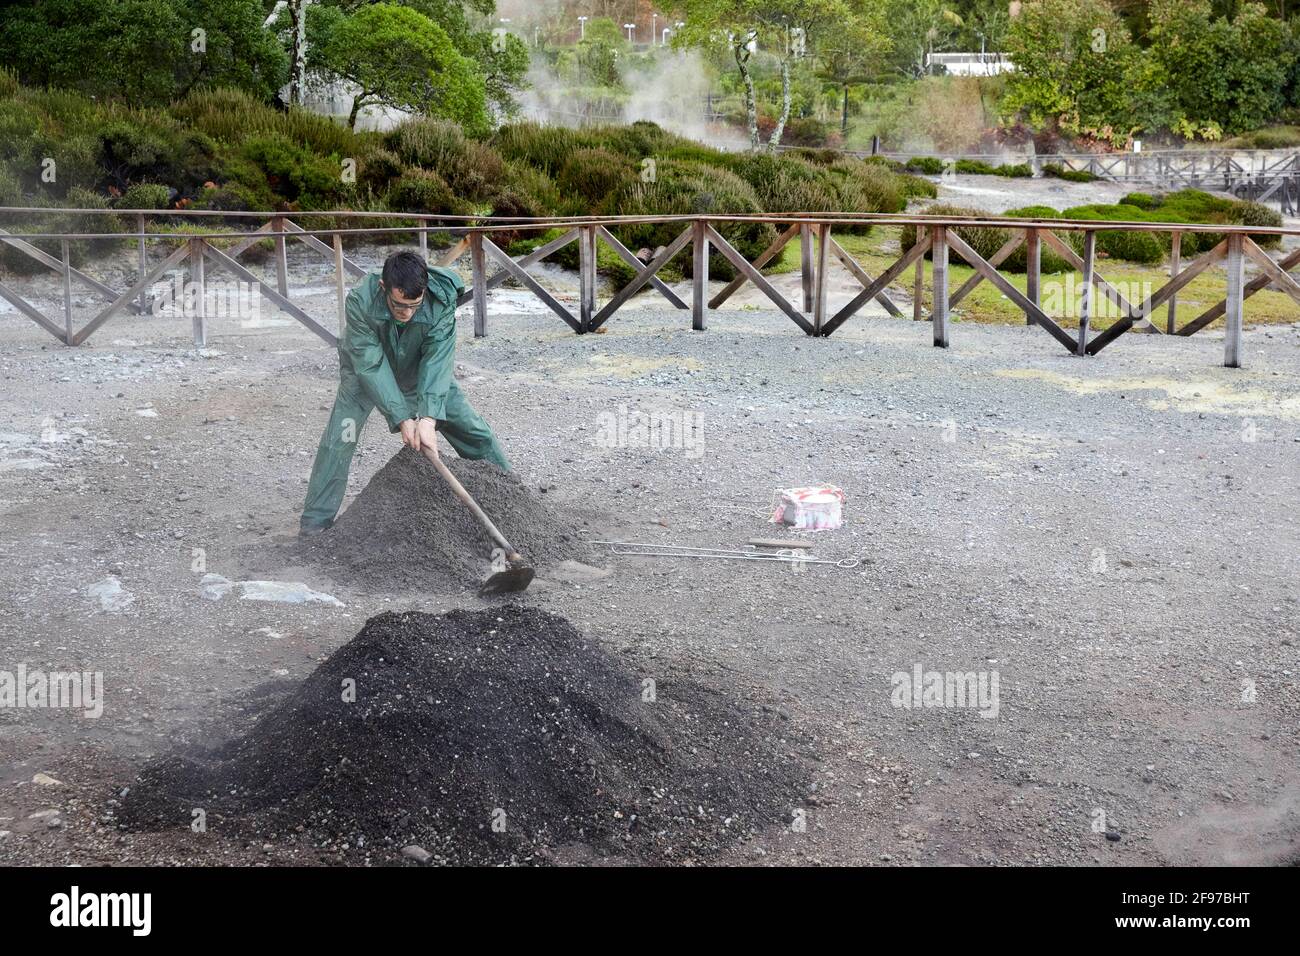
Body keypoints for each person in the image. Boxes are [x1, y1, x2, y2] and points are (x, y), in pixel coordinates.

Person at [299, 249, 510, 534]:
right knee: (340, 439)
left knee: (475, 433)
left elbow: (437, 359)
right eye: (399, 306)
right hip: (363, 375)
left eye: (414, 305)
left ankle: (516, 502)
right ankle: (315, 525)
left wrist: (428, 418)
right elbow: (371, 364)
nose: (407, 314)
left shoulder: (441, 299)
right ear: (384, 287)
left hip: (420, 371)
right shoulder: (360, 301)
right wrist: (401, 417)